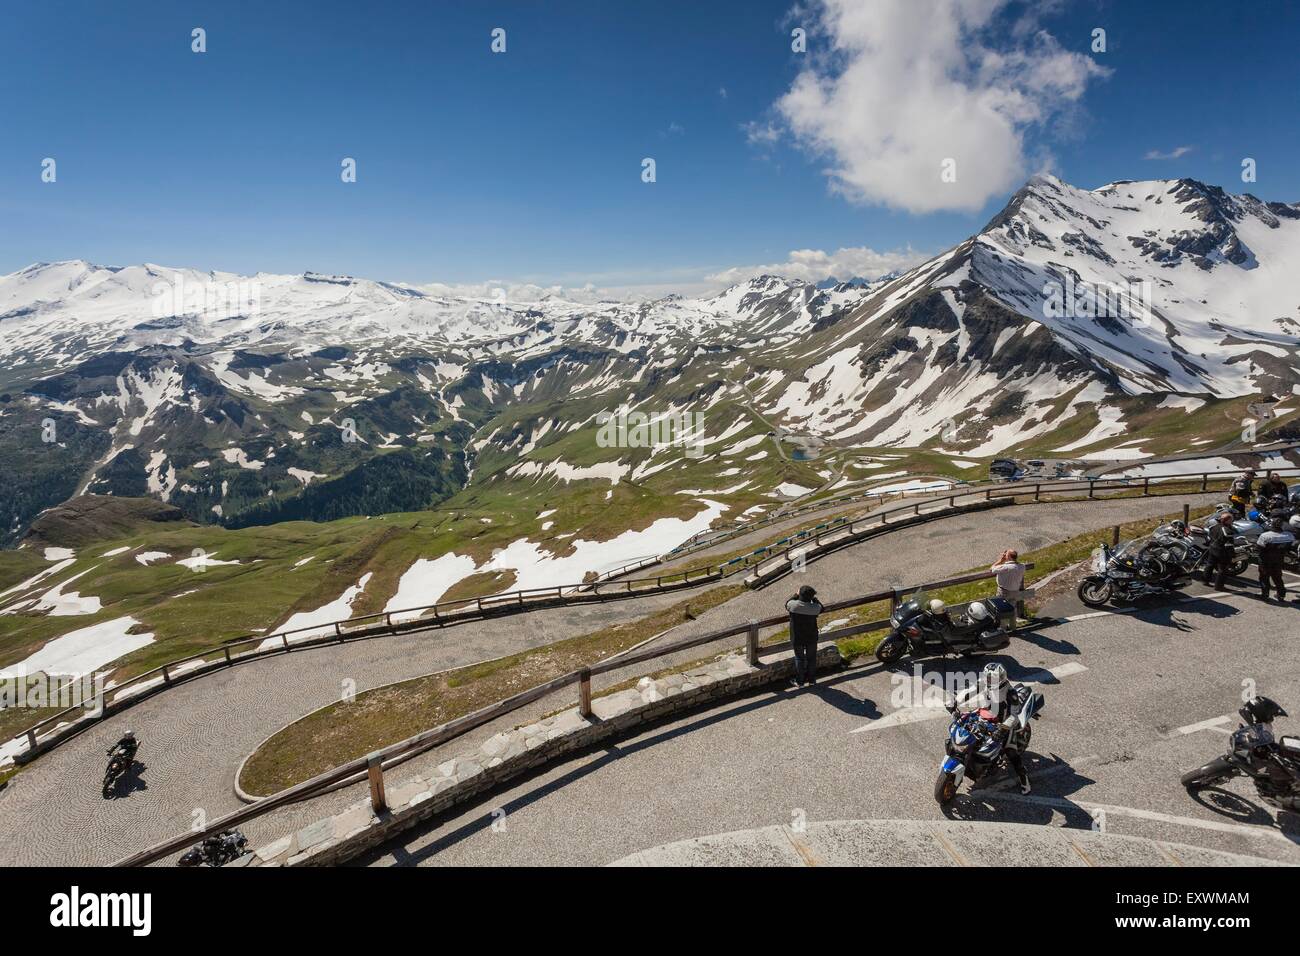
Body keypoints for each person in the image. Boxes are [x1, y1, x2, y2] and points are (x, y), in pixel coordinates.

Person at [954, 663, 1031, 793]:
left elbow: (1014, 716)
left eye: (992, 679)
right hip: (985, 715)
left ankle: (1025, 781)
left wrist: (1002, 729)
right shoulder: (983, 683)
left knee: (1011, 752)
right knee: (964, 723)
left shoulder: (1010, 693)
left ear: (1001, 678)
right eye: (987, 678)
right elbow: (969, 692)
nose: (989, 681)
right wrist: (955, 701)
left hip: (1005, 724)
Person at [785, 585, 823, 686]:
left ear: (800, 595)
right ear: (811, 596)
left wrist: (795, 595)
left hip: (797, 637)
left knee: (799, 658)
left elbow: (786, 604)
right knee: (811, 658)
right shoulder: (815, 608)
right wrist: (814, 599)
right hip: (811, 637)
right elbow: (822, 608)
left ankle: (800, 682)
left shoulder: (793, 605)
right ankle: (812, 680)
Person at [1257, 518, 1295, 601]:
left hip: (1265, 560)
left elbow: (1259, 548)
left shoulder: (1265, 535)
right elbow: (1291, 546)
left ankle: (1265, 595)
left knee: (1264, 578)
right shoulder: (1289, 535)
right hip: (1279, 560)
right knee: (1278, 578)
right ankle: (1281, 595)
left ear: (1272, 525)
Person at [1204, 512, 1237, 589]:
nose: (1232, 521)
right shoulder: (1228, 530)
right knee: (1222, 569)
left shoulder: (1213, 527)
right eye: (1231, 519)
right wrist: (1232, 554)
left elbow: (1210, 537)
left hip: (1212, 549)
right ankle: (1218, 586)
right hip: (1222, 552)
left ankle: (1205, 581)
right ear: (1227, 520)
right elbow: (1229, 545)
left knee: (1209, 565)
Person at [990, 549, 1028, 618]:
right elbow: (1015, 565)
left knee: (1001, 609)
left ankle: (1003, 627)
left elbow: (992, 569)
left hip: (1003, 591)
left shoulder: (1006, 567)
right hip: (1015, 591)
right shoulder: (1022, 566)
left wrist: (1000, 560)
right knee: (1011, 609)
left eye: (1006, 554)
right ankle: (1012, 625)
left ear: (1008, 557)